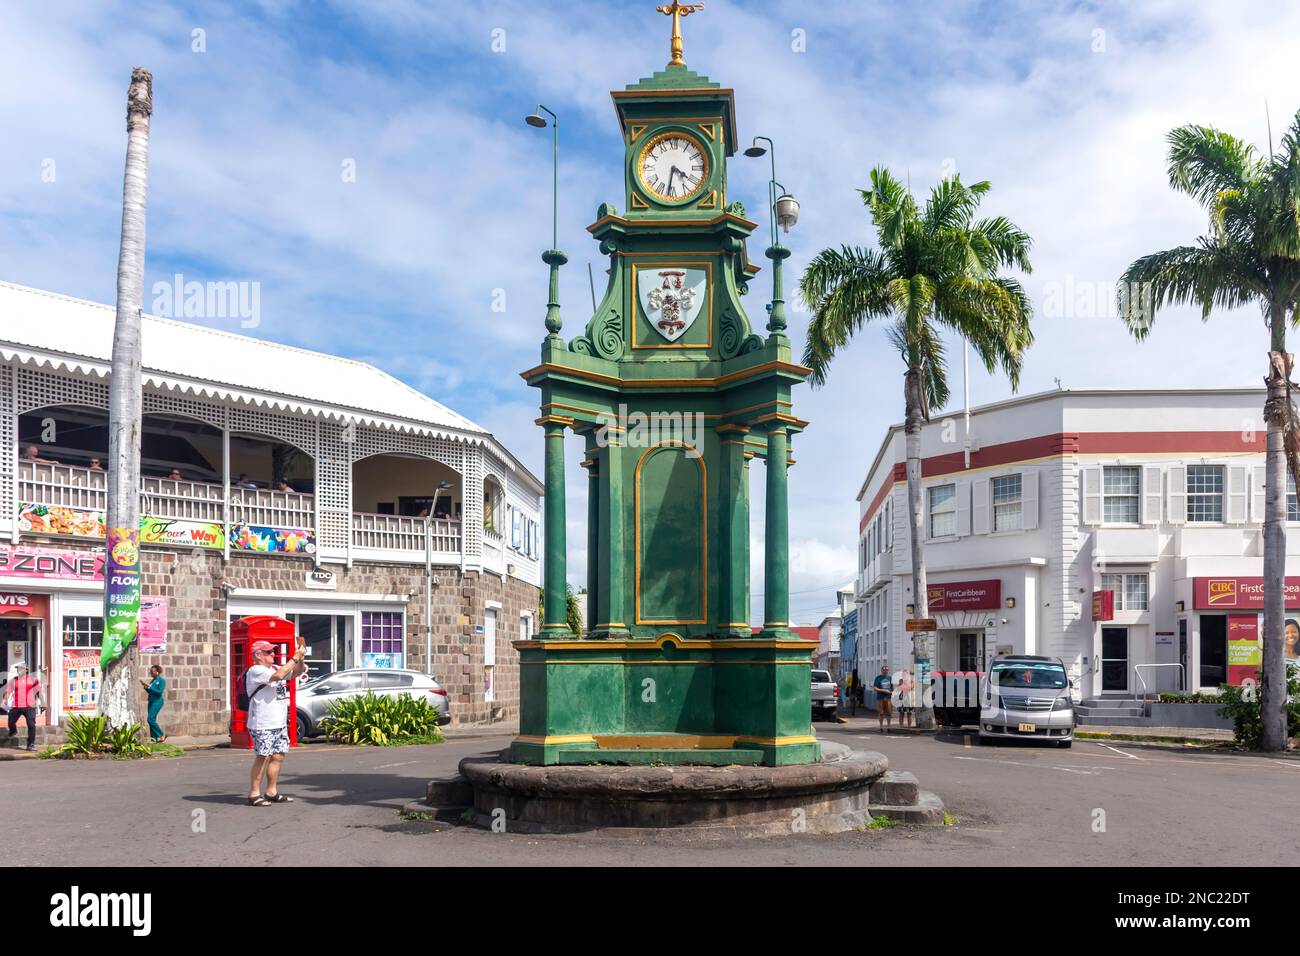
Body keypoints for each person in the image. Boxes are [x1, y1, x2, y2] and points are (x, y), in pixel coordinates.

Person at [245, 640, 305, 807]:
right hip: (263, 722)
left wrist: (301, 658)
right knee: (263, 757)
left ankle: (271, 791)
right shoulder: (256, 670)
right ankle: (254, 793)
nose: (273, 654)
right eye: (268, 652)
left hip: (278, 721)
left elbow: (296, 673)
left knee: (278, 756)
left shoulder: (273, 668)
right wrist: (294, 657)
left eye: (273, 651)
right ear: (258, 655)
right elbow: (279, 676)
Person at [4, 663, 43, 751]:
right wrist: (4, 701)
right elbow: (8, 692)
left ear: (26, 670)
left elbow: (38, 692)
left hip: (30, 706)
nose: (19, 670)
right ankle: (13, 730)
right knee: (11, 721)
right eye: (18, 669)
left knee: (31, 725)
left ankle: (31, 744)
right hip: (16, 705)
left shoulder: (33, 680)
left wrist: (42, 702)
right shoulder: (13, 680)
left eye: (21, 668)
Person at [139, 664, 166, 742]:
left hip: (157, 701)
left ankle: (161, 734)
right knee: (152, 720)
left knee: (150, 719)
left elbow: (159, 692)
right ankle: (154, 739)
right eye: (150, 672)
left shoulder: (161, 681)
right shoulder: (153, 680)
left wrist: (150, 687)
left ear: (157, 672)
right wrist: (145, 687)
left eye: (152, 671)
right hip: (151, 701)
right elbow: (150, 691)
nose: (151, 673)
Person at [872, 664, 894, 735]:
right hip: (880, 698)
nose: (885, 671)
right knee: (881, 713)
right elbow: (875, 688)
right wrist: (883, 691)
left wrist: (892, 692)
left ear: (888, 671)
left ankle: (888, 727)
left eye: (886, 670)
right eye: (884, 670)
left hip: (888, 698)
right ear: (881, 670)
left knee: (889, 713)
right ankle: (881, 727)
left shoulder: (890, 678)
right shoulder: (878, 678)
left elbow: (892, 688)